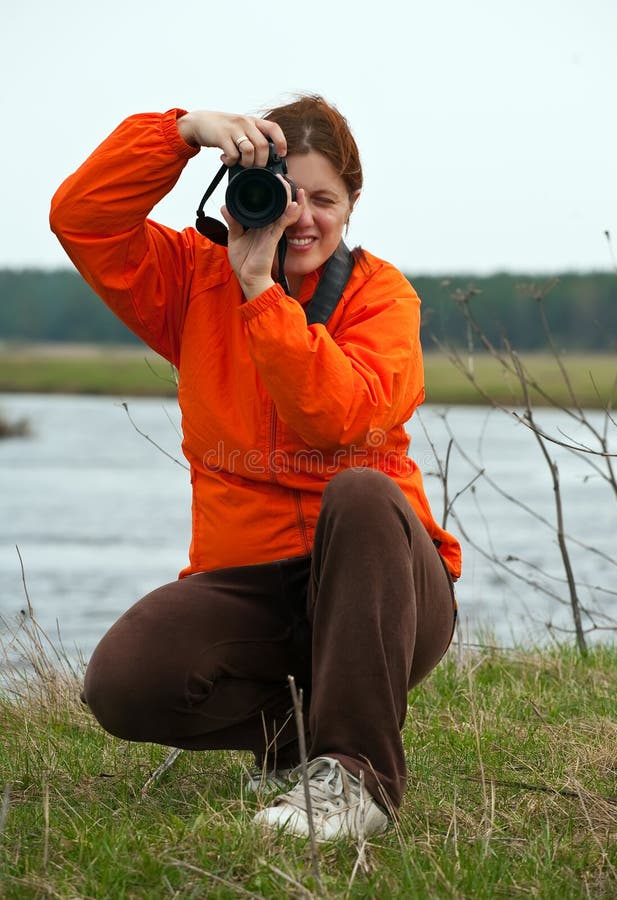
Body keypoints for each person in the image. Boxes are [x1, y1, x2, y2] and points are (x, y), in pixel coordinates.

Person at [50, 95, 462, 841]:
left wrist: (261, 294)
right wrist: (179, 134)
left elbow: (337, 421)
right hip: (252, 587)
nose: (300, 218)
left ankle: (357, 780)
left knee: (362, 492)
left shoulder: (380, 297)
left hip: (384, 587)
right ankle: (294, 740)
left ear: (353, 203)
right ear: (240, 194)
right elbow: (81, 219)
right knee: (124, 684)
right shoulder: (190, 280)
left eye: (324, 200)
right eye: (281, 195)